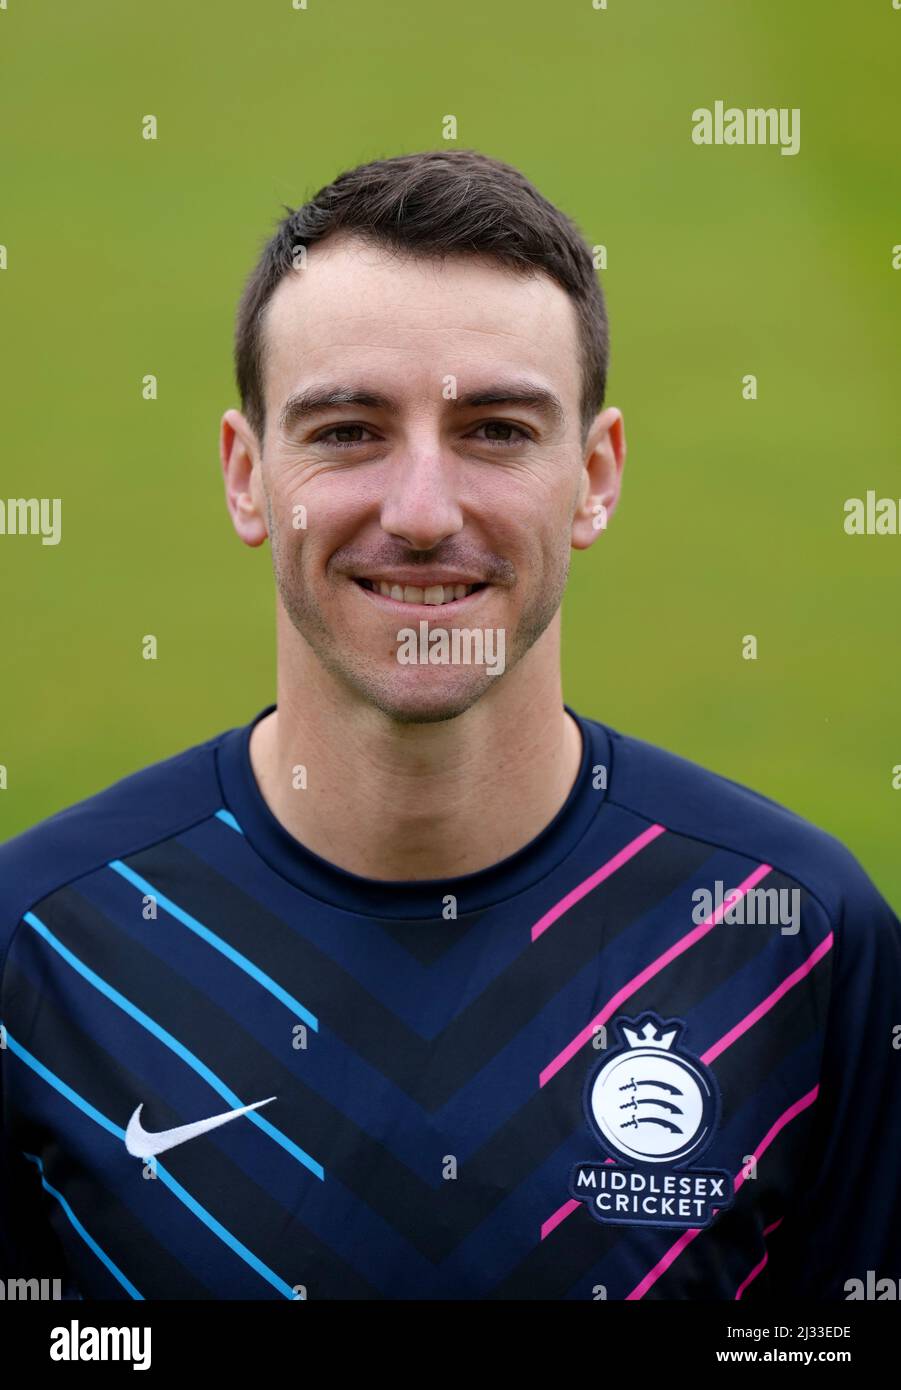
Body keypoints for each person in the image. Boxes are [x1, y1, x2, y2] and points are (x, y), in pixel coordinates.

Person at [1, 149, 898, 1301]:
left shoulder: (796, 940)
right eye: (345, 431)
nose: (422, 514)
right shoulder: (41, 954)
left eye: (496, 431)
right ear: (245, 475)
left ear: (595, 475)